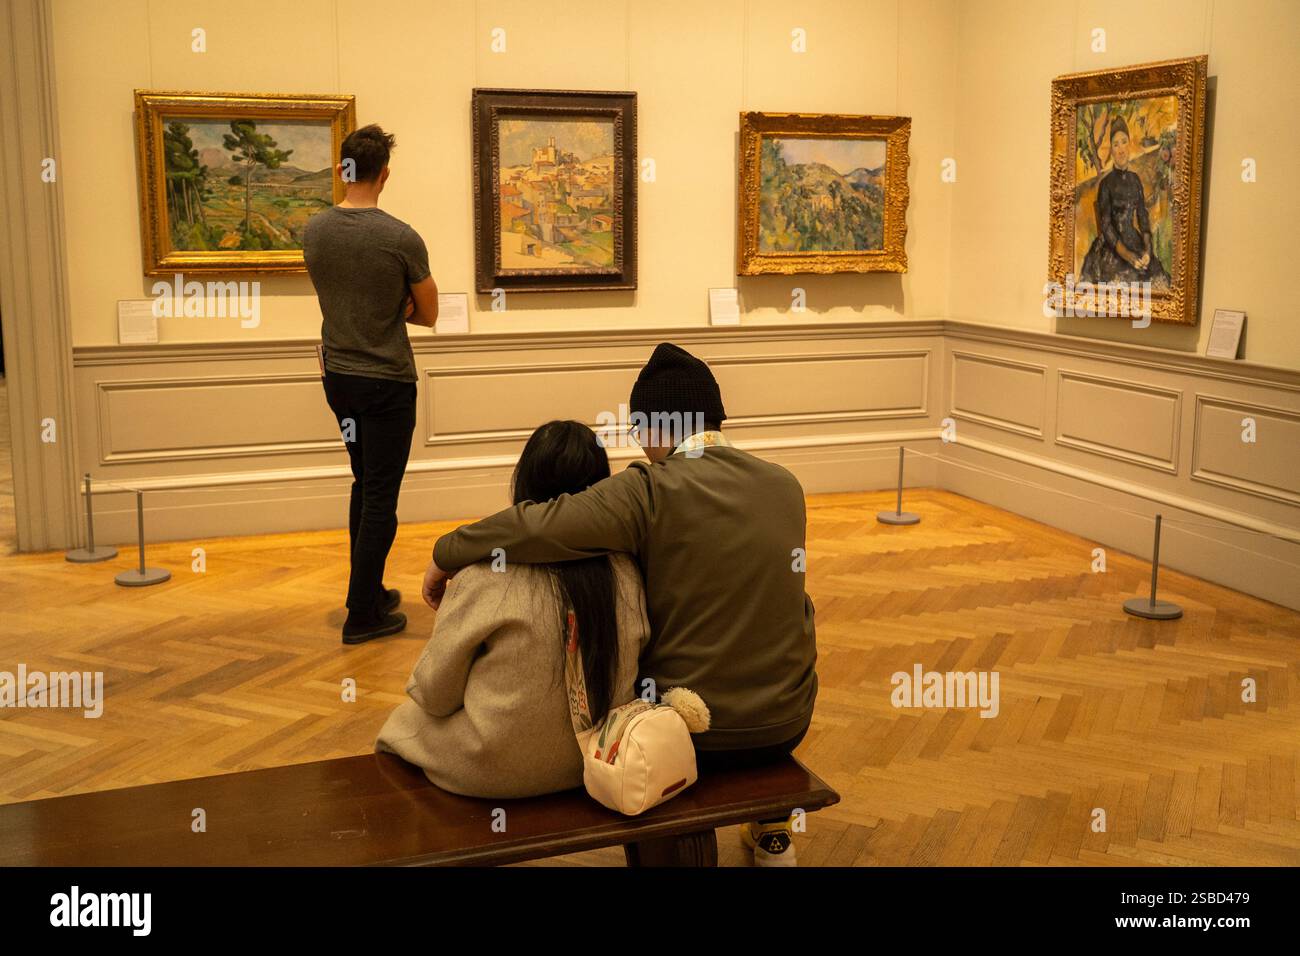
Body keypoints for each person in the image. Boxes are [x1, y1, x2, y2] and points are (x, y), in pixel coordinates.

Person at [422, 343, 818, 866]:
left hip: (695, 735)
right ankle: (772, 830)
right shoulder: (783, 484)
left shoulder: (650, 489)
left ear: (655, 428)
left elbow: (537, 522)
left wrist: (444, 552)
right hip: (788, 721)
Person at [377, 420, 649, 798]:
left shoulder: (485, 573)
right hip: (599, 758)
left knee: (401, 725)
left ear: (523, 482)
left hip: (493, 771)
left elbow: (434, 695)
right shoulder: (628, 570)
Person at [304, 124, 439, 644]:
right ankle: (363, 613)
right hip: (386, 383)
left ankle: (367, 589)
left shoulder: (314, 230)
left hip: (338, 379)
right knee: (381, 495)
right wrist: (398, 305)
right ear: (384, 173)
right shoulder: (399, 237)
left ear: (343, 169)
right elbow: (427, 314)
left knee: (364, 483)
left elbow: (343, 295)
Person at [1079, 116, 1170, 290]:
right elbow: (1106, 226)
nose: (1121, 149)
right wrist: (1128, 256)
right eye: (1115, 144)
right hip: (1112, 247)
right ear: (1112, 151)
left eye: (1124, 142)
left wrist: (1147, 251)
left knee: (1159, 281)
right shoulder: (1106, 184)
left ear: (1129, 145)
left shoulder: (1135, 180)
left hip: (1133, 240)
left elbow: (1143, 216)